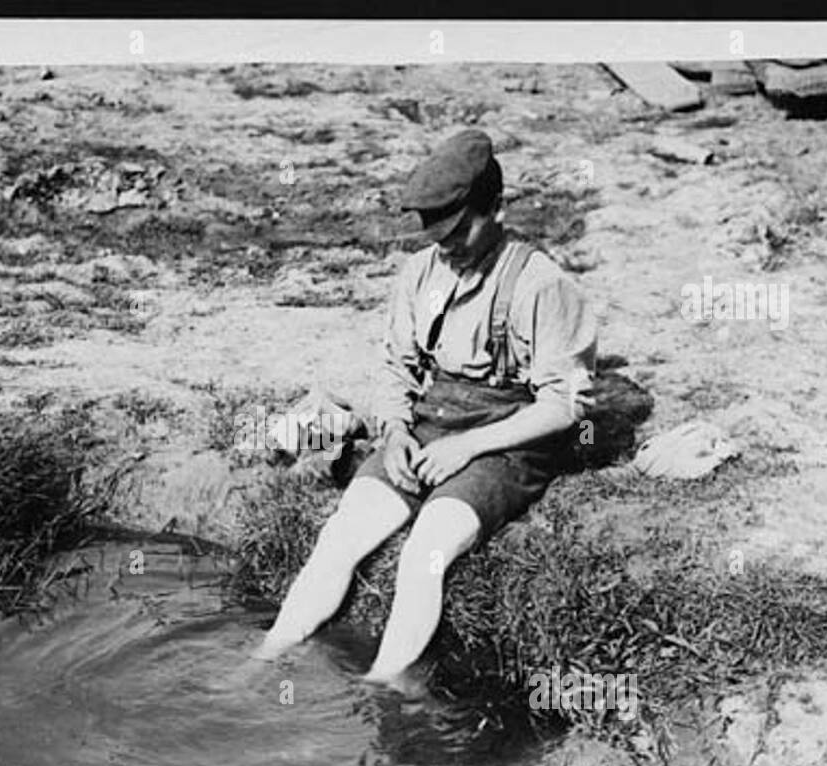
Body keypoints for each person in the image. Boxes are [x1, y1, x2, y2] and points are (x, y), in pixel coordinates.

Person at [252, 129, 598, 691]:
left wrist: (467, 447)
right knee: (341, 535)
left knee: (426, 551)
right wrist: (394, 434)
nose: (448, 246)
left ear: (497, 209)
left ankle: (385, 684)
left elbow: (567, 405)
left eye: (460, 230)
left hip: (506, 439)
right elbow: (398, 370)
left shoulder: (541, 284)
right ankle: (265, 657)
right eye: (436, 234)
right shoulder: (421, 272)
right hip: (429, 427)